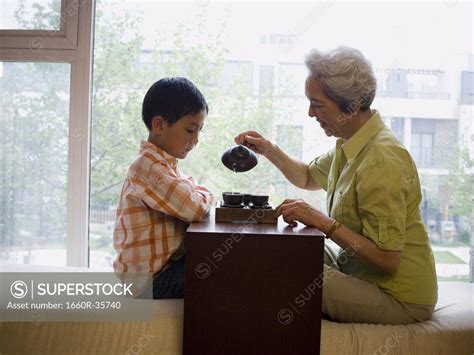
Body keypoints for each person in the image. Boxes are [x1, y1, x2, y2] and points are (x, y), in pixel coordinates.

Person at [235, 46, 437, 325]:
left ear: (349, 104)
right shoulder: (352, 142)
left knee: (288, 273)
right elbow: (307, 177)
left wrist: (320, 220)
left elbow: (388, 260)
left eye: (317, 105)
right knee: (282, 250)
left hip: (399, 297)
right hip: (359, 272)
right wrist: (269, 150)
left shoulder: (380, 160)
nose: (309, 113)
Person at [113, 77, 213, 299]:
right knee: (220, 266)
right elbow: (195, 208)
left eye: (200, 131)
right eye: (190, 130)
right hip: (148, 283)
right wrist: (205, 193)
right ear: (159, 125)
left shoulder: (165, 167)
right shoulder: (147, 168)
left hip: (163, 272)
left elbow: (191, 197)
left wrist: (194, 190)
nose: (196, 139)